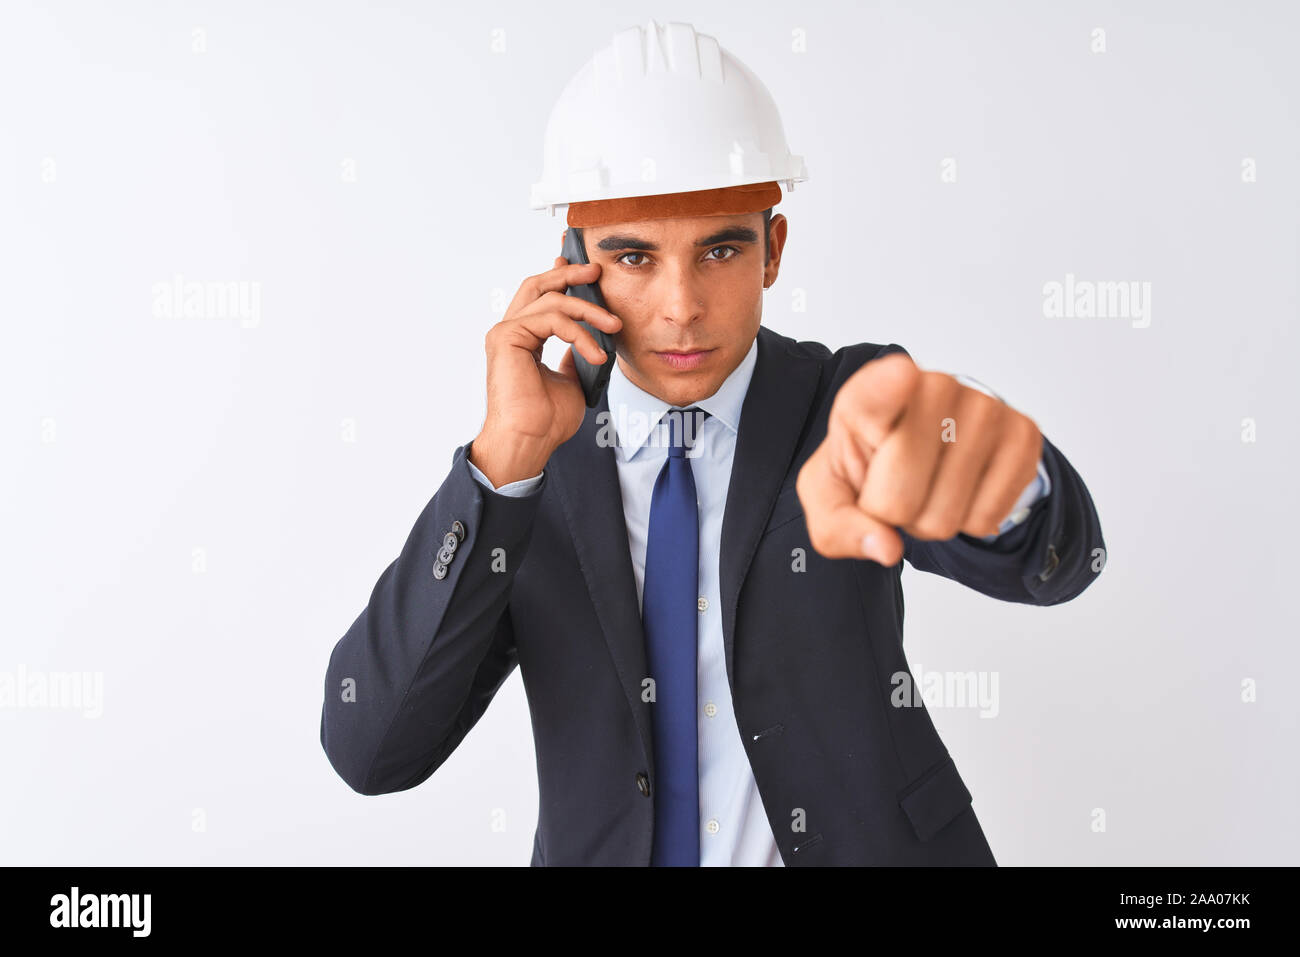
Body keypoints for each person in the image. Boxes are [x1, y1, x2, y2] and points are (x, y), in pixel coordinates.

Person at [319, 20, 1105, 866]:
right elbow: (372, 750)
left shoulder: (852, 405)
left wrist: (1003, 475)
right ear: (574, 265)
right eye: (635, 257)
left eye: (720, 249)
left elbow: (1055, 562)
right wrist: (502, 464)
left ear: (772, 250)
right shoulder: (533, 468)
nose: (682, 305)